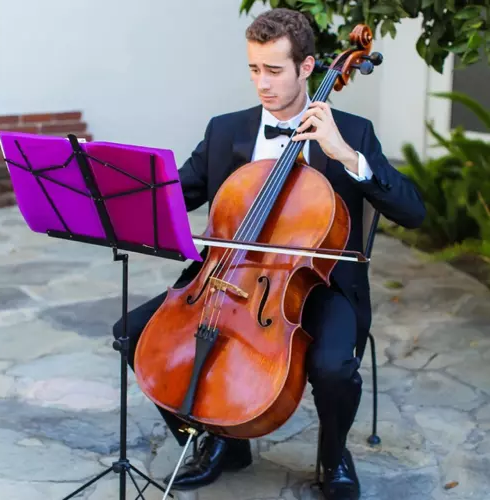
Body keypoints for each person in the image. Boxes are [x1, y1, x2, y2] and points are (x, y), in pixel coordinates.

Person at [113, 8, 425, 500]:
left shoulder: (354, 132)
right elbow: (175, 195)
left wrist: (345, 155)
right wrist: (118, 198)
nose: (262, 83)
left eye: (274, 70)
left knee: (332, 366)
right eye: (254, 69)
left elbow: (413, 213)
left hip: (318, 284)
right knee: (133, 335)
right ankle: (215, 442)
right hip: (226, 277)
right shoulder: (226, 131)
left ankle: (332, 453)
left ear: (307, 68)